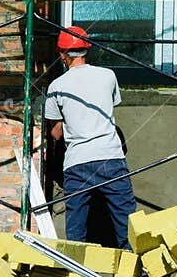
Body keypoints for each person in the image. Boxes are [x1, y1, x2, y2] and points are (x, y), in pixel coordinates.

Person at [44, 26, 138, 249]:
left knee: (77, 233)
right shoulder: (108, 76)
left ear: (62, 54)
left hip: (77, 163)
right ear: (87, 51)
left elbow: (55, 133)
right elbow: (110, 109)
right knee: (127, 225)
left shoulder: (56, 86)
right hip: (111, 158)